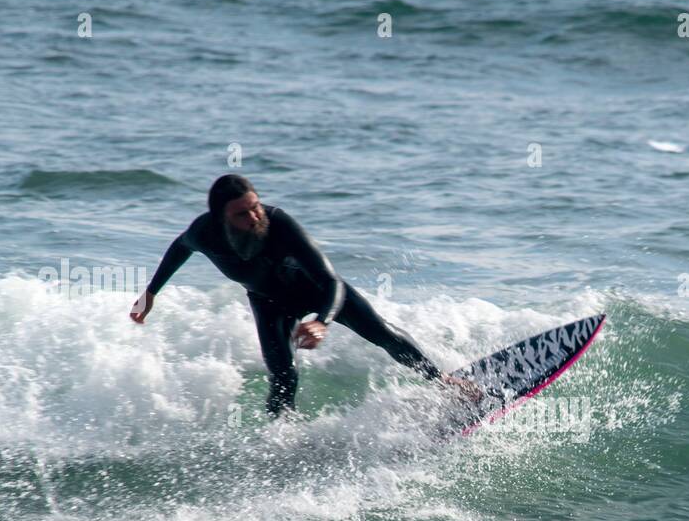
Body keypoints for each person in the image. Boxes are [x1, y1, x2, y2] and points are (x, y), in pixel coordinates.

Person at [131, 174, 480, 417]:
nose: (254, 217)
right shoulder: (204, 233)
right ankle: (280, 438)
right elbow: (178, 249)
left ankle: (444, 383)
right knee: (283, 375)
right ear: (220, 219)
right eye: (242, 214)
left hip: (314, 290)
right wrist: (150, 294)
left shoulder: (279, 224)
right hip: (267, 301)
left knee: (383, 335)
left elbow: (330, 281)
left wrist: (321, 320)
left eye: (255, 206)